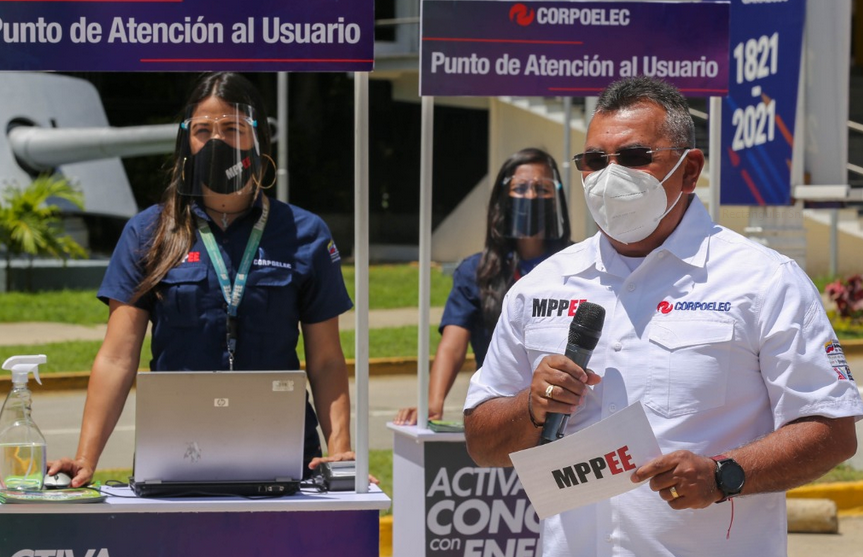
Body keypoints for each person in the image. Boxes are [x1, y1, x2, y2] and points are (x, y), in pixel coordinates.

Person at [463, 76, 863, 556]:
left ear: (689, 169)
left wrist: (722, 476)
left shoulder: (764, 281)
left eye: (634, 157)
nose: (610, 177)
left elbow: (831, 431)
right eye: (594, 161)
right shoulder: (542, 286)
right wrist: (531, 404)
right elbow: (482, 442)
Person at [50, 72, 357, 487]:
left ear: (258, 140)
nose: (217, 142)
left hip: (284, 462)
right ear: (186, 143)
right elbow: (117, 358)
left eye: (233, 128)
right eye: (202, 130)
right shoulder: (148, 233)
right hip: (174, 460)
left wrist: (339, 453)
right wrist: (87, 457)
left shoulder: (306, 233)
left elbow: (326, 361)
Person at [394, 148, 572, 425]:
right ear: (504, 198)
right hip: (501, 412)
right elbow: (453, 345)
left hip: (568, 409)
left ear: (557, 196)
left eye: (542, 188)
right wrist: (432, 403)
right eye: (521, 187)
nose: (532, 196)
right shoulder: (475, 272)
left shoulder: (577, 264)